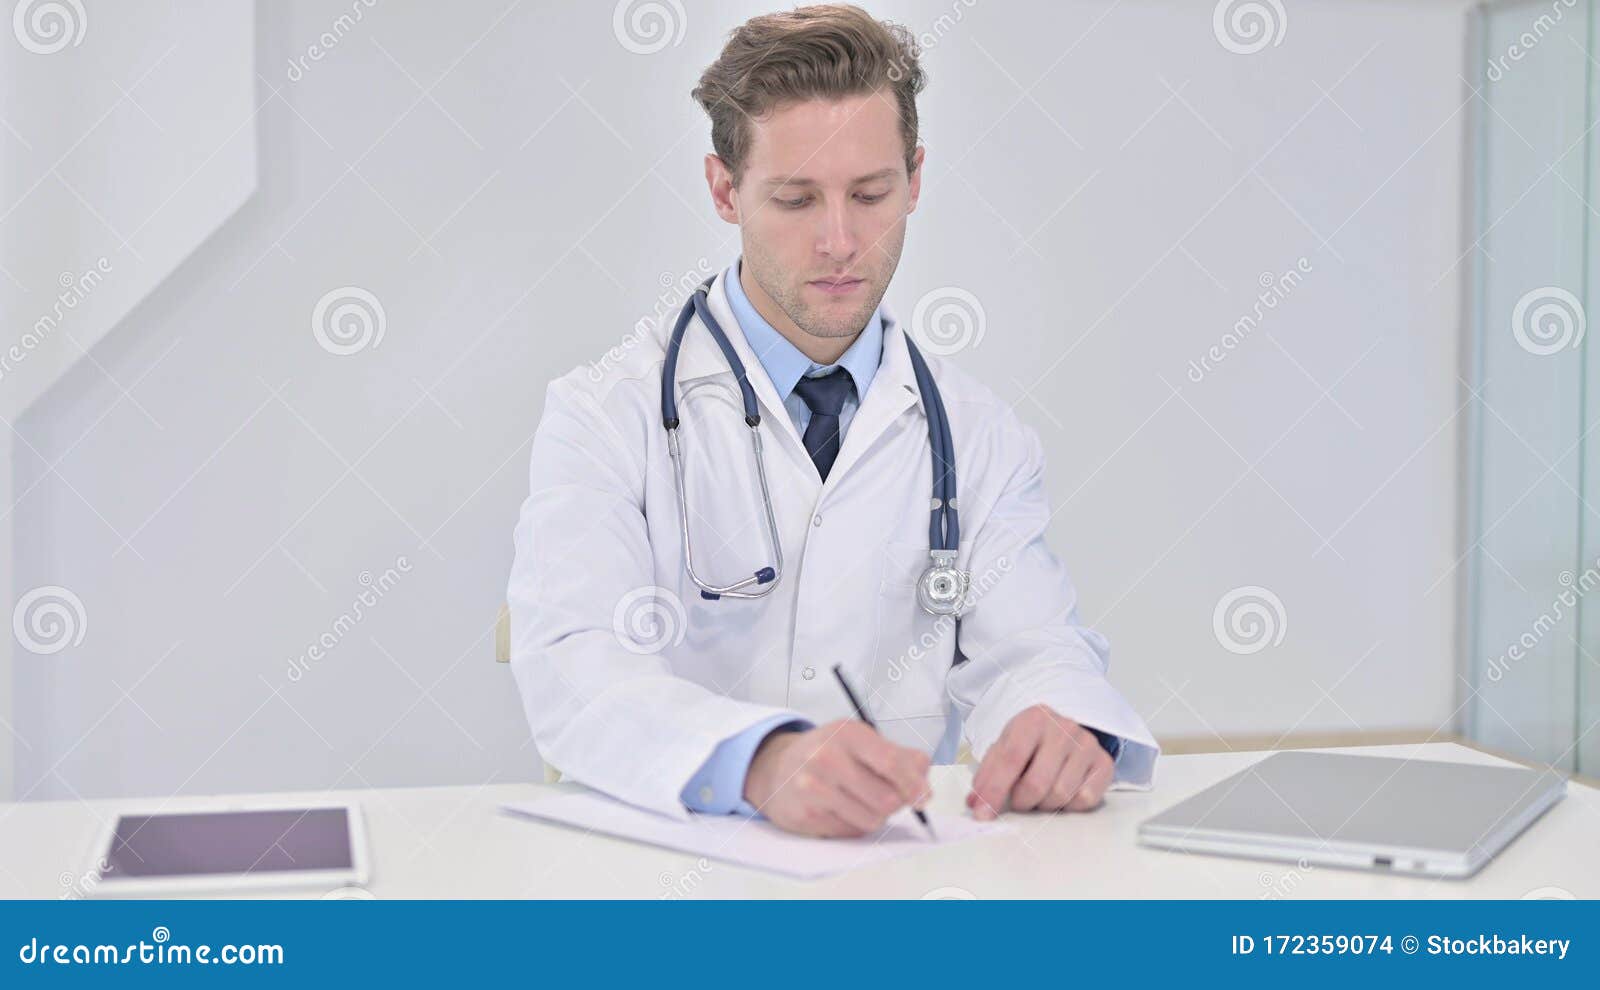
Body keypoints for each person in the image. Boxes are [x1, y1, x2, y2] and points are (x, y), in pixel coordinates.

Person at [507, 3, 1156, 837]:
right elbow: (574, 663)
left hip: (898, 873)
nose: (840, 241)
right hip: (678, 874)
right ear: (724, 190)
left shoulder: (979, 436)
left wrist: (1059, 724)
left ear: (914, 180)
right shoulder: (606, 414)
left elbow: (1033, 648)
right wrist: (759, 761)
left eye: (871, 194)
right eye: (796, 198)